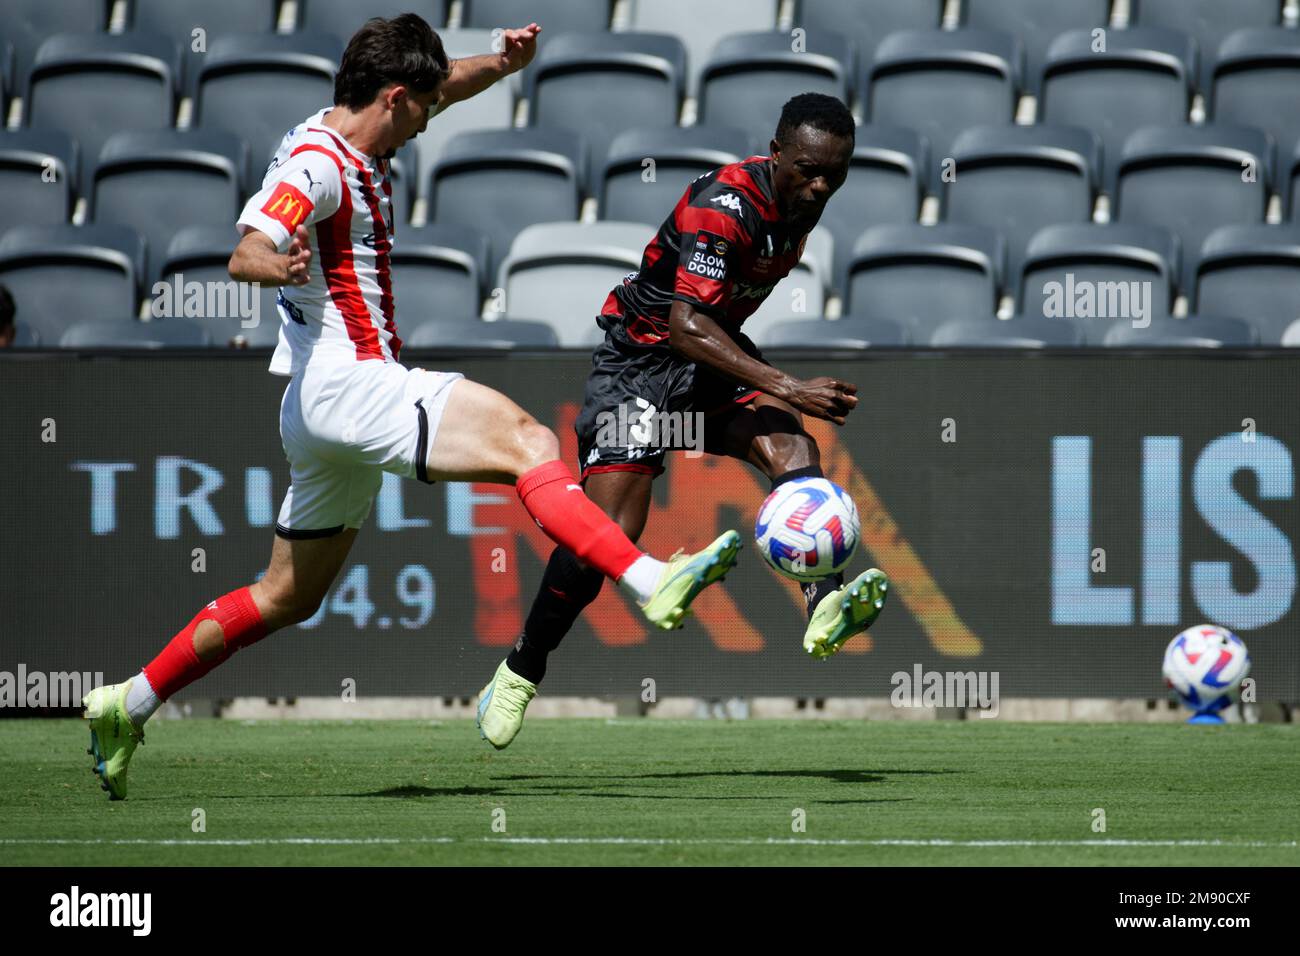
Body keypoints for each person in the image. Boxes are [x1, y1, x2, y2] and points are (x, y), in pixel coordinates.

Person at [81, 14, 740, 799]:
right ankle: (645, 577)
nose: (431, 116)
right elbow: (247, 246)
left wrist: (498, 61)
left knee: (286, 595)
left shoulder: (346, 131)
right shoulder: (321, 168)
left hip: (315, 410)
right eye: (423, 106)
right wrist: (270, 263)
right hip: (353, 383)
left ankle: (129, 701)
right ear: (394, 96)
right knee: (529, 440)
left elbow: (443, 85)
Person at [475, 93, 889, 750]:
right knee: (604, 537)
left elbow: (711, 330)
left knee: (789, 443)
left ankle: (823, 603)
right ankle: (519, 671)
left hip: (704, 370)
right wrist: (788, 382)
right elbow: (685, 323)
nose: (819, 187)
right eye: (808, 170)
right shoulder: (726, 206)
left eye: (834, 175)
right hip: (640, 365)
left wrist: (781, 397)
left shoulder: (799, 210)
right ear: (776, 152)